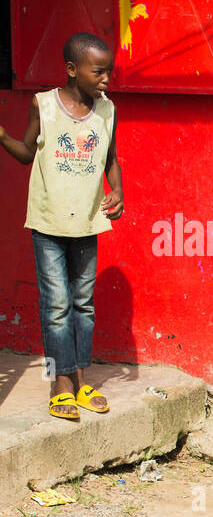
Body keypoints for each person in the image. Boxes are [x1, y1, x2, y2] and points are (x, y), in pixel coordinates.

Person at [0, 33, 123, 420]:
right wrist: (2, 136)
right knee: (56, 307)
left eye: (109, 72)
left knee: (83, 306)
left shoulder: (107, 110)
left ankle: (80, 380)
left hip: (88, 222)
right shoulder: (44, 105)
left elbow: (111, 159)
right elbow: (25, 154)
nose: (106, 79)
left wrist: (117, 190)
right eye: (98, 72)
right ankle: (59, 383)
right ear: (72, 70)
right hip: (49, 222)